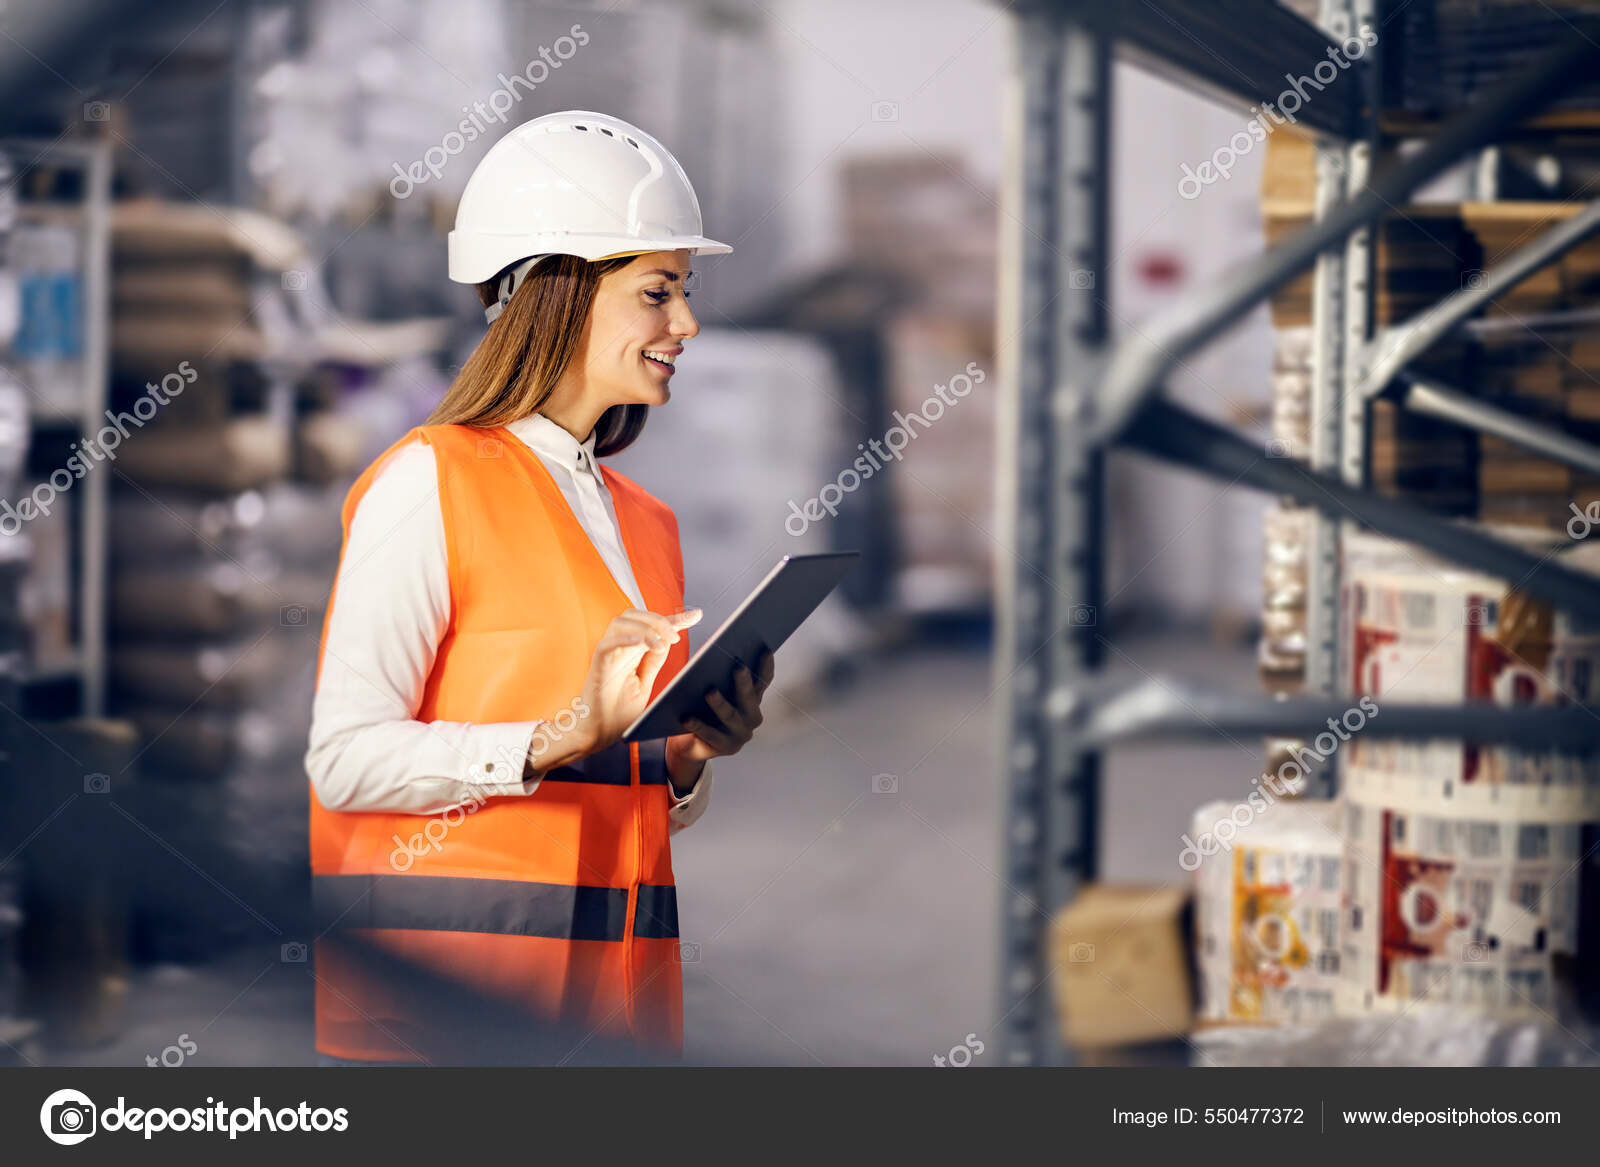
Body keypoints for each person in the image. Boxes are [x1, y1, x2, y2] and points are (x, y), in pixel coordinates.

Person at [303, 110, 773, 1065]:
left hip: (612, 1004)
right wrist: (559, 735)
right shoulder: (431, 481)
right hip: (447, 1014)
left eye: (683, 292)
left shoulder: (647, 523)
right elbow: (343, 760)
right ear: (555, 293)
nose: (686, 323)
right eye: (658, 292)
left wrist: (688, 757)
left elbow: (623, 777)